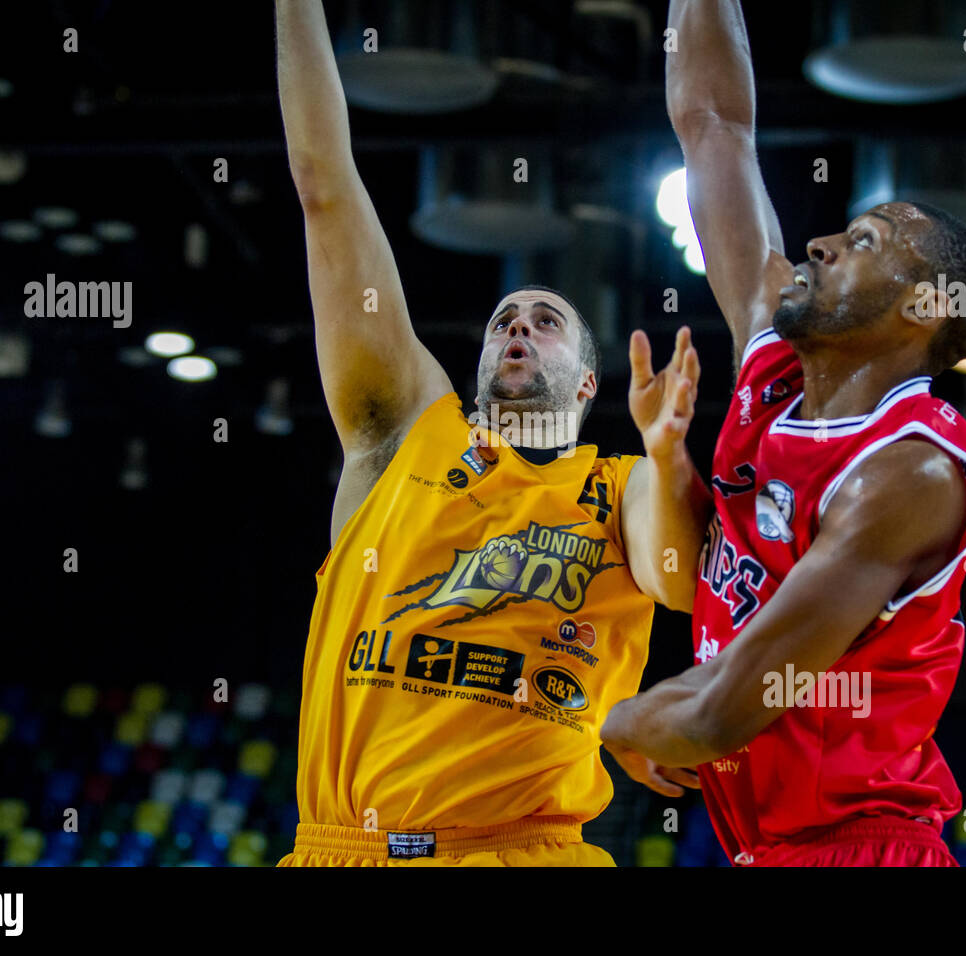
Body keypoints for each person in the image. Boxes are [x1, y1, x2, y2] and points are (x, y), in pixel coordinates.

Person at [273, 0, 709, 867]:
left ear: (588, 383)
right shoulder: (403, 434)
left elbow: (678, 580)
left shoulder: (617, 485)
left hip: (524, 850)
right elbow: (324, 188)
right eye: (505, 319)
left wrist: (665, 453)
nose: (516, 327)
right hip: (341, 849)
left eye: (545, 321)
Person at [601, 0, 966, 867]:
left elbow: (722, 714)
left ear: (923, 308)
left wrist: (628, 715)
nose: (819, 242)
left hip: (858, 849)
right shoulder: (772, 366)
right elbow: (714, 124)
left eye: (862, 240)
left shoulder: (905, 474)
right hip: (764, 843)